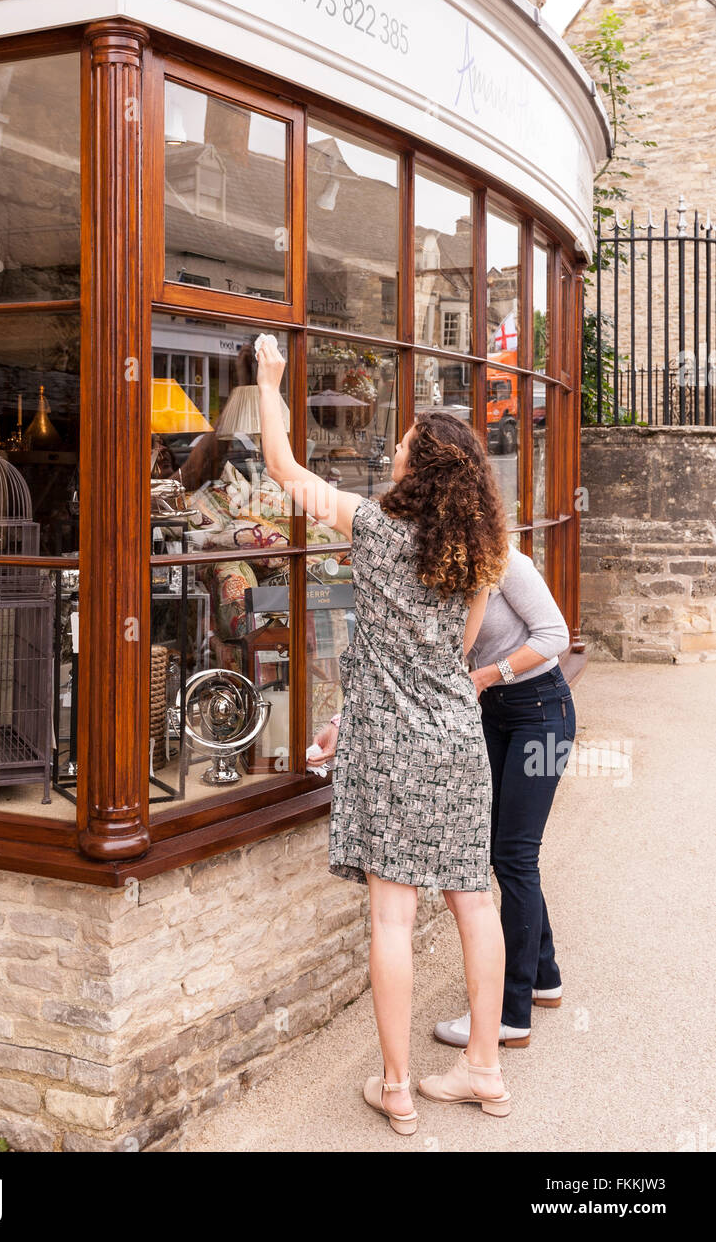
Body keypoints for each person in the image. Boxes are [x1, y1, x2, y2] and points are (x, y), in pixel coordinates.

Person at [257, 338, 513, 1134]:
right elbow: (458, 651)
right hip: (455, 739)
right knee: (475, 903)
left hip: (392, 746)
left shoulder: (373, 530)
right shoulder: (477, 552)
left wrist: (268, 382)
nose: (392, 451)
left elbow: (283, 473)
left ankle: (397, 1086)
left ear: (419, 466)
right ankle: (483, 1071)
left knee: (391, 919)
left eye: (401, 445)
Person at [433, 548, 575, 1049]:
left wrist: (489, 674)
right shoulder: (444, 565)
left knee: (514, 856)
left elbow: (556, 636)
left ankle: (509, 1015)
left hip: (542, 714)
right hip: (494, 715)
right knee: (505, 855)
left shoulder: (505, 562)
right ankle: (544, 976)